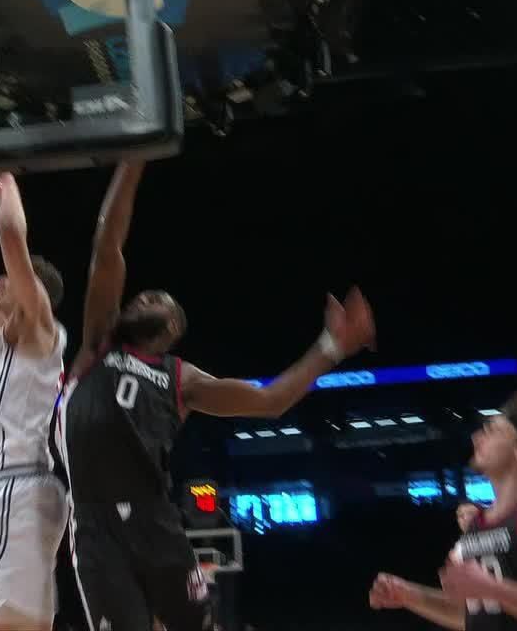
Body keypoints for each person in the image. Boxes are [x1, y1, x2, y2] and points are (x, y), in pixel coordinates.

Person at [54, 161, 377, 631]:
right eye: (140, 296)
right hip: (93, 525)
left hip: (154, 520)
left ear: (172, 330)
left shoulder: (181, 379)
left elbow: (269, 402)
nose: (141, 298)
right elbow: (107, 245)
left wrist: (330, 349)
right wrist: (134, 160)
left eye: (156, 300)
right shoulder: (99, 343)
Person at [0, 172, 69, 631]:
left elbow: (9, 234)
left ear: (29, 291)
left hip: (18, 490)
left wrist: (6, 182)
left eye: (9, 281)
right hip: (7, 492)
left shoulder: (41, 332)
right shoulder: (10, 337)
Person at [370, 381, 517, 630]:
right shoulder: (477, 522)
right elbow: (479, 615)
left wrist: (494, 589)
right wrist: (409, 596)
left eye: (492, 430)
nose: (477, 436)